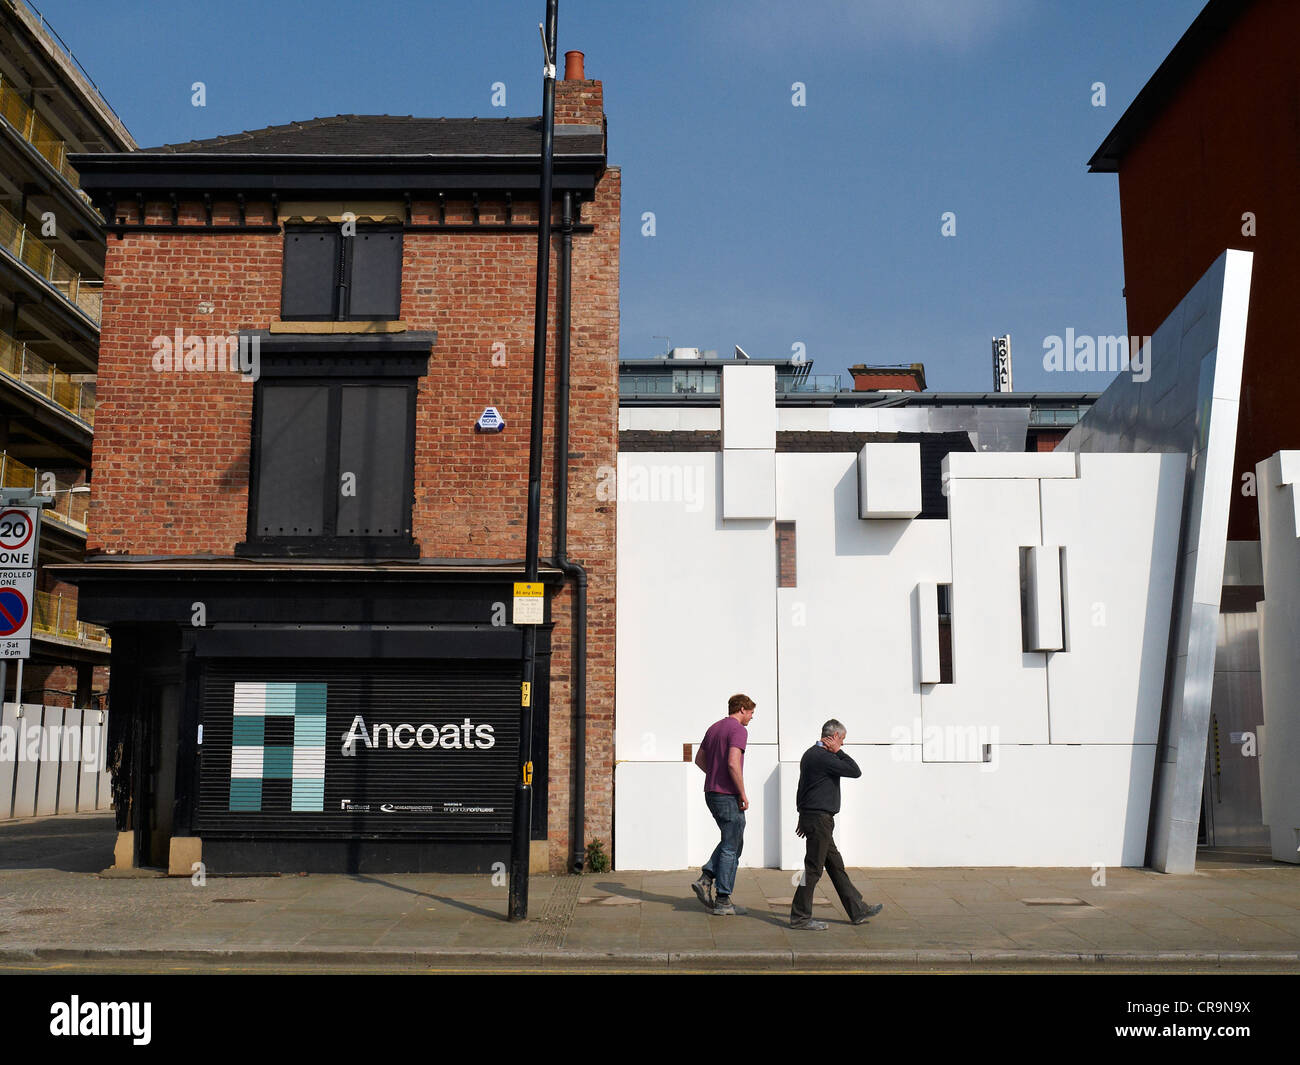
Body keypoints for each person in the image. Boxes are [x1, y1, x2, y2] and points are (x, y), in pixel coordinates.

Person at [789, 719, 883, 930]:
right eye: (842, 740)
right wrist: (838, 752)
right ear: (833, 737)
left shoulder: (809, 754)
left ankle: (857, 909)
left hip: (814, 817)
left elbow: (802, 787)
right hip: (820, 819)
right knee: (813, 869)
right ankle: (800, 917)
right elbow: (855, 771)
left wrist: (802, 815)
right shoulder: (824, 757)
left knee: (836, 866)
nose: (843, 744)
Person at [690, 693, 755, 915]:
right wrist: (742, 792)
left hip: (711, 793)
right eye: (751, 713)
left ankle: (707, 878)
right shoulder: (738, 730)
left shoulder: (714, 727)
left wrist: (715, 775)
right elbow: (733, 763)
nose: (751, 718)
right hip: (727, 795)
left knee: (733, 840)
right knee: (731, 846)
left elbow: (699, 759)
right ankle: (723, 900)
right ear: (742, 709)